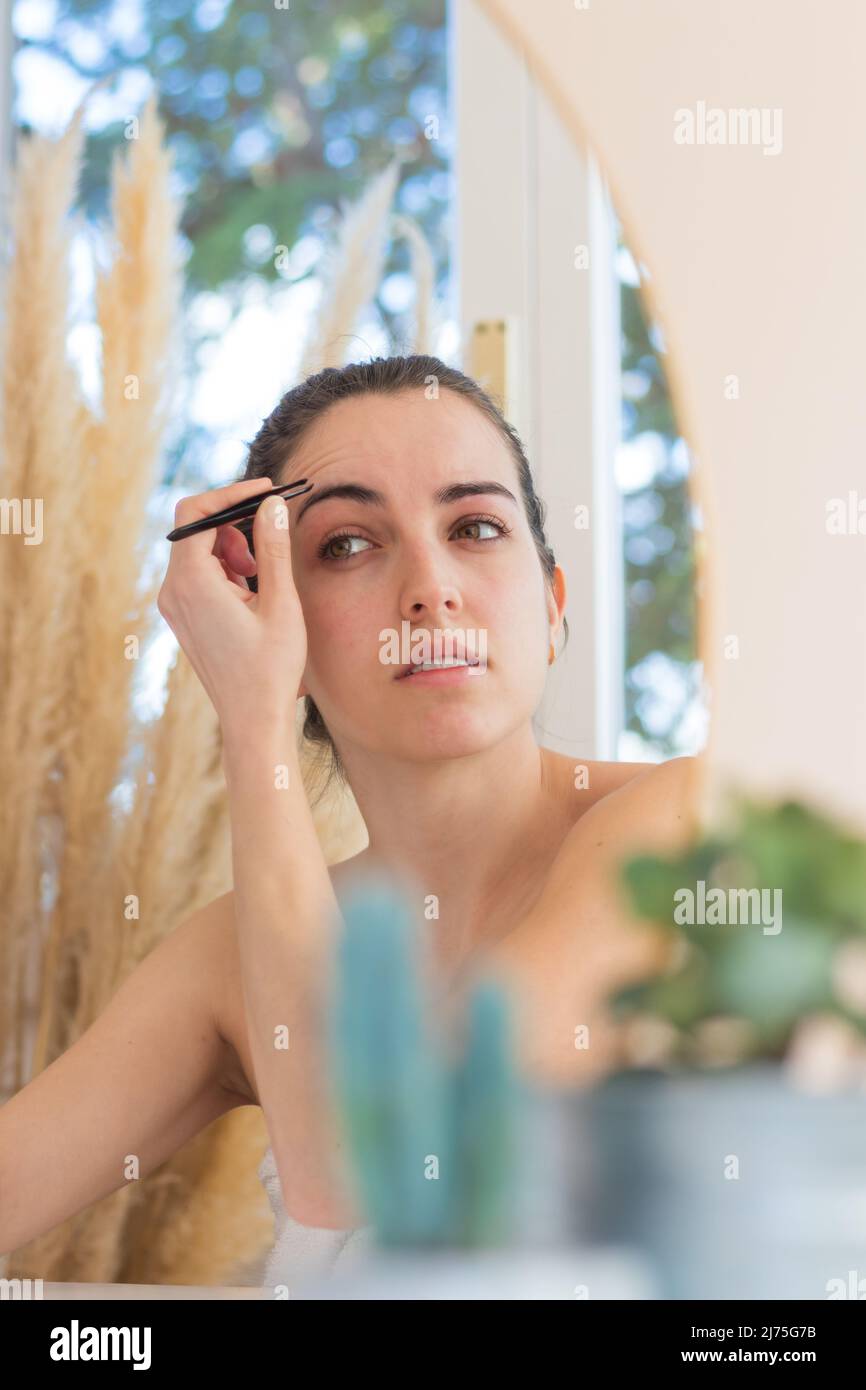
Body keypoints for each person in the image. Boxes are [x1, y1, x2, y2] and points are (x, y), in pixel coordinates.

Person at [0, 354, 697, 1261]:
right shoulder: (233, 957)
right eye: (348, 545)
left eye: (476, 525)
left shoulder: (680, 823)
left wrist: (253, 727)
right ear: (265, 614)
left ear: (554, 605)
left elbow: (371, 1174)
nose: (431, 586)